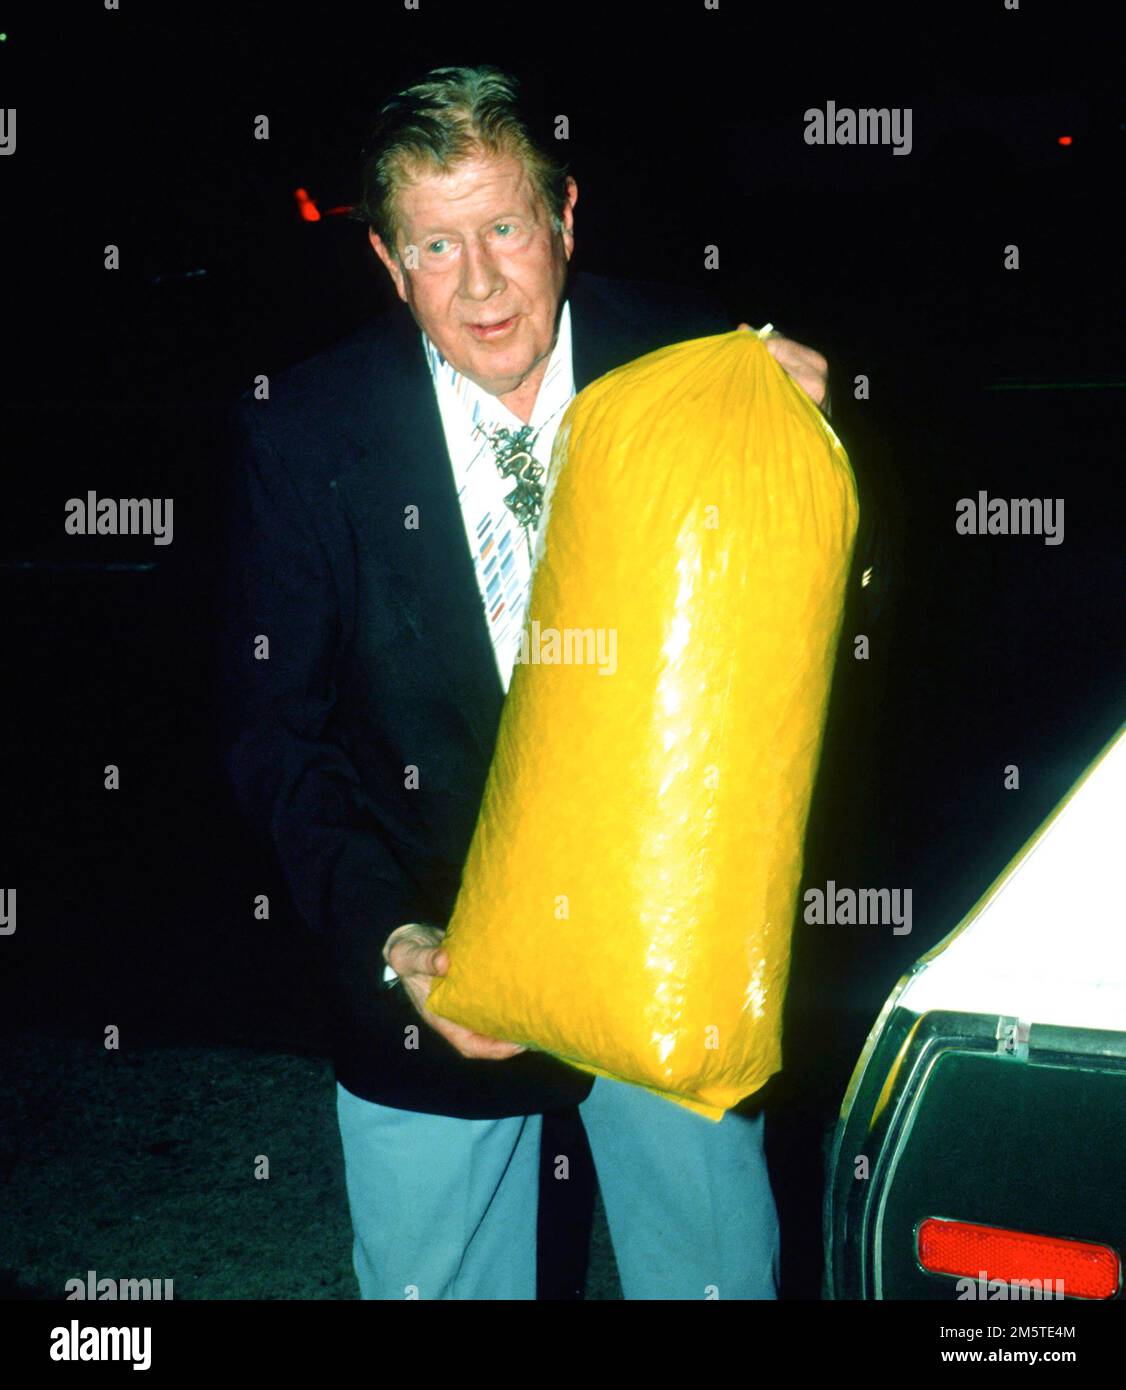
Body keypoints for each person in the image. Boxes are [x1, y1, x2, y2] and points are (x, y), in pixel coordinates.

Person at [221, 64, 830, 1300]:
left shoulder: (694, 362)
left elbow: (812, 633)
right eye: (436, 246)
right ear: (390, 267)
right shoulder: (305, 430)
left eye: (503, 226)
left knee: (715, 1281)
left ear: (563, 218)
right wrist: (394, 942)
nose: (482, 280)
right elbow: (271, 733)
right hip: (435, 961)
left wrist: (810, 441)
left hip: (671, 945)